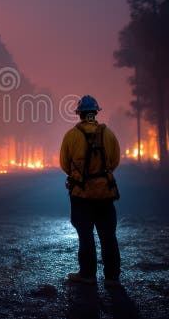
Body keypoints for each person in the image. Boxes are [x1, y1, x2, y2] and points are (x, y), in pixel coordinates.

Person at [59, 95, 122, 287]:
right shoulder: (109, 134)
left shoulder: (71, 135)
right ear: (95, 113)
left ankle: (87, 275)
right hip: (105, 194)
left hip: (81, 195)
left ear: (80, 114)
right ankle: (112, 278)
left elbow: (64, 164)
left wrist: (79, 174)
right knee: (108, 235)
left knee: (85, 235)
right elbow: (115, 161)